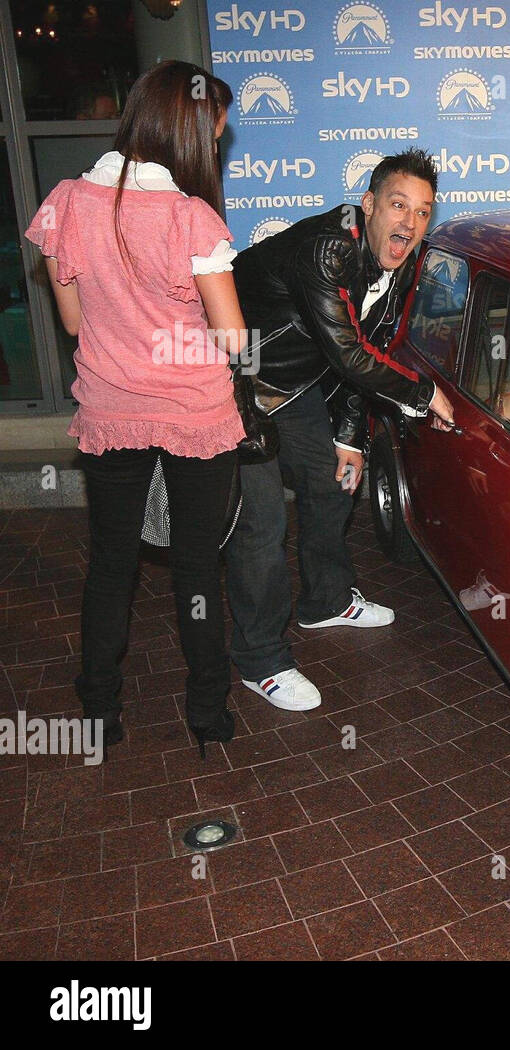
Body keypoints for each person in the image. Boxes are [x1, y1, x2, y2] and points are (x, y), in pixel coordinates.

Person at [25, 61, 246, 756]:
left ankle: (98, 713)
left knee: (111, 563)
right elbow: (233, 336)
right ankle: (208, 714)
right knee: (196, 569)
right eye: (212, 132)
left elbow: (70, 322)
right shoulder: (191, 217)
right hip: (196, 413)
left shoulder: (68, 201)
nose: (214, 145)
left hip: (110, 407)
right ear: (184, 128)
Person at [227, 148, 454, 712]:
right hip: (230, 386)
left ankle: (325, 601)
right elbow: (349, 353)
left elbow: (366, 345)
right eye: (398, 205)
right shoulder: (329, 249)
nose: (410, 222)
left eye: (423, 212)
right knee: (263, 523)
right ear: (369, 203)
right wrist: (422, 393)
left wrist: (349, 437)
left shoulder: (402, 263)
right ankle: (261, 660)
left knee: (331, 482)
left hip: (292, 386)